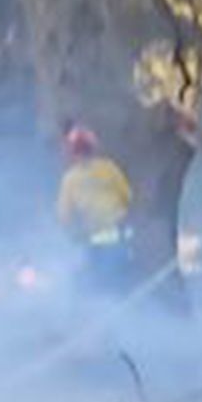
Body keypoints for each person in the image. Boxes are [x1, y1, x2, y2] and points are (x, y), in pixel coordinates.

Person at [54, 125, 134, 292]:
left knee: (101, 286)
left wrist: (74, 234)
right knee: (124, 281)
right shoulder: (109, 168)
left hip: (98, 243)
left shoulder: (70, 179)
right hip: (123, 236)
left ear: (72, 153)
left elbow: (64, 216)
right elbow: (127, 196)